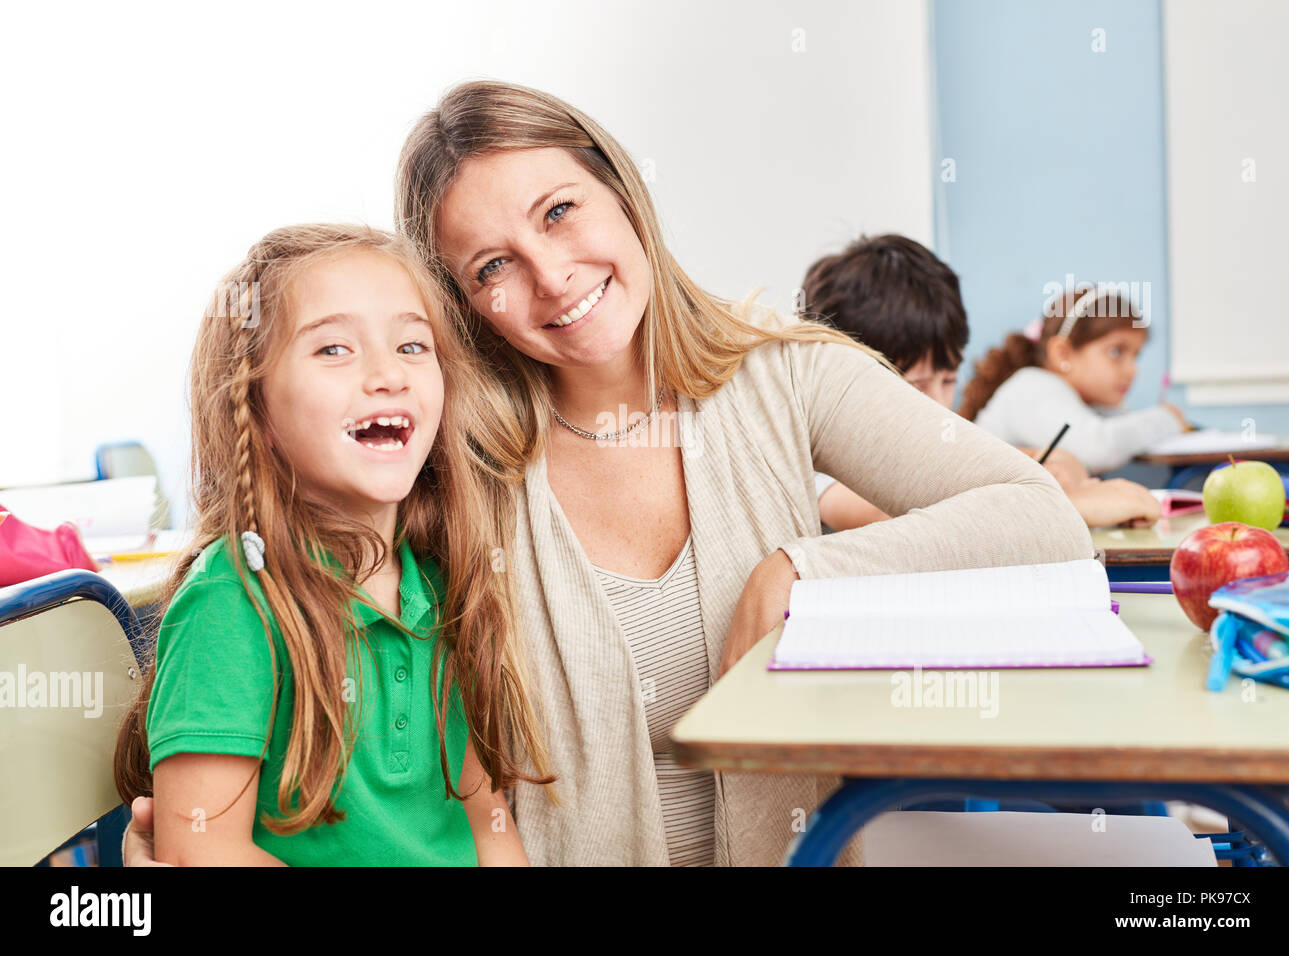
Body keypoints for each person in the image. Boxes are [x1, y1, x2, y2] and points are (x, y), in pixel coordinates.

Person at [128, 81, 1095, 867]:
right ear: (461, 305)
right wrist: (197, 836)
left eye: (560, 212)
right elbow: (296, 602)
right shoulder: (451, 447)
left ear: (621, 191)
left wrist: (807, 571)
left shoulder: (786, 374)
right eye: (491, 265)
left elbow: (1039, 519)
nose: (551, 275)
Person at [113, 224, 552, 865]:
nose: (387, 374)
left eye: (411, 344)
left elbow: (487, 822)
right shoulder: (232, 601)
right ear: (255, 412)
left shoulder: (440, 586)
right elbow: (199, 855)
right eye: (334, 350)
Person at [800, 235, 1161, 531]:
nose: (938, 404)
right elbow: (896, 516)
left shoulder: (932, 443)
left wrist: (1051, 466)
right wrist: (1068, 505)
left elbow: (1057, 461)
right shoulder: (815, 465)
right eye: (917, 387)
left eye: (948, 379)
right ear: (842, 383)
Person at [958, 285, 1189, 474]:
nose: (1132, 371)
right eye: (1116, 352)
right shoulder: (1032, 387)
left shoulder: (1082, 402)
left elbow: (1116, 426)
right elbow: (1098, 448)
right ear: (1063, 354)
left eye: (1135, 356)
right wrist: (1168, 418)